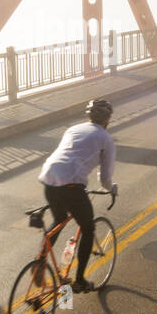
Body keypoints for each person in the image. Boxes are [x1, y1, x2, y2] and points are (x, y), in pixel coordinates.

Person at [38, 98, 118, 293]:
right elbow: (105, 178)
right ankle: (80, 280)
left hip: (48, 178)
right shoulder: (106, 139)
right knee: (88, 228)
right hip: (72, 186)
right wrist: (112, 189)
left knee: (59, 220)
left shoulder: (73, 129)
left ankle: (39, 265)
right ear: (107, 119)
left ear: (89, 116)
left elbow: (68, 155)